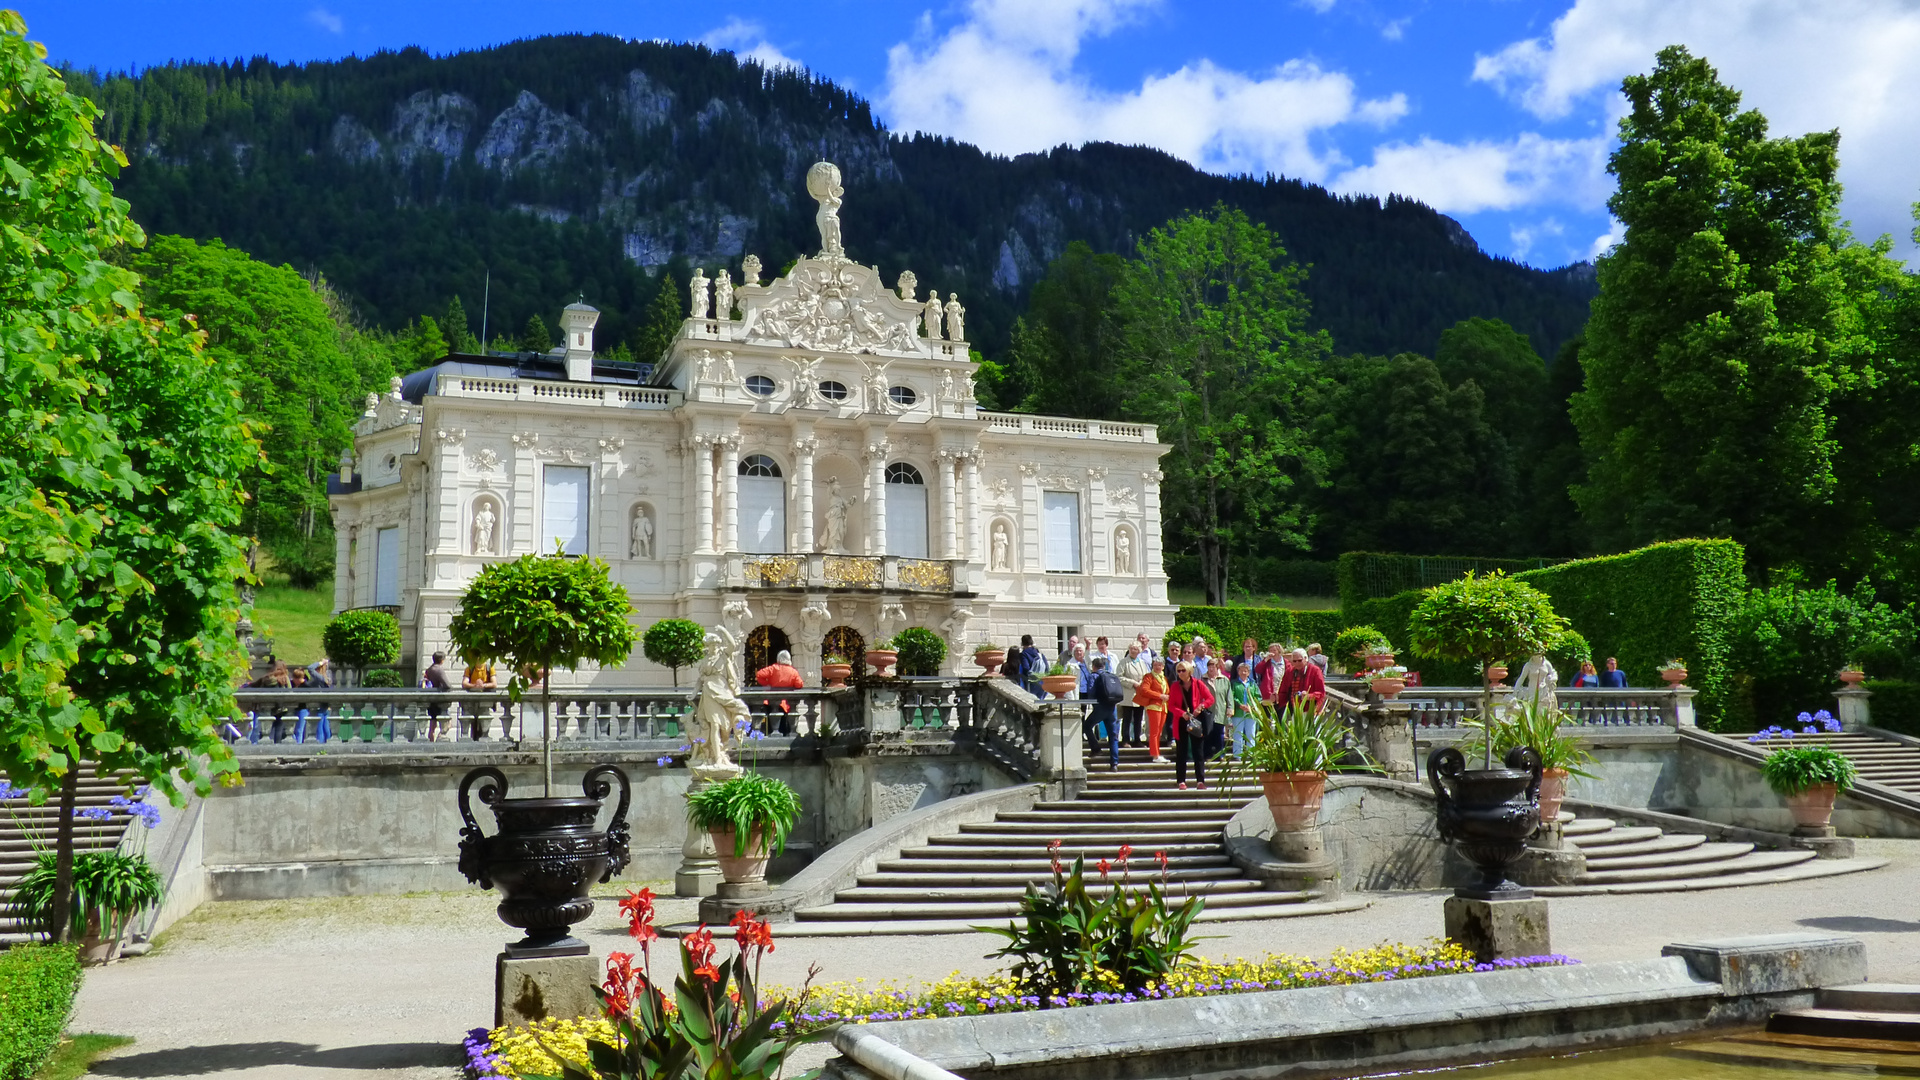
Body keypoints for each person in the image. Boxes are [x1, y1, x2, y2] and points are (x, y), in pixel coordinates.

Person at [1166, 661, 1216, 789]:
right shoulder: (1175, 686)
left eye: (1183, 670)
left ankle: (1200, 780)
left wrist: (1201, 706)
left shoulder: (1198, 684)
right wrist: (1182, 713)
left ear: (1189, 671)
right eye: (1178, 671)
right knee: (1181, 752)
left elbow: (1210, 699)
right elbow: (1171, 705)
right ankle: (1181, 781)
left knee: (1198, 751)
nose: (1180, 673)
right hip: (1181, 720)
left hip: (1196, 720)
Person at [1087, 656, 1125, 771]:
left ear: (1093, 666)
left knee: (1086, 726)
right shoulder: (1110, 675)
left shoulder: (1094, 676)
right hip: (1112, 707)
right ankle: (1114, 763)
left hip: (1100, 707)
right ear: (1104, 666)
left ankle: (1095, 748)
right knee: (1113, 736)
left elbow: (1091, 691)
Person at [755, 649, 806, 735]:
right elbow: (799, 684)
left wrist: (767, 685)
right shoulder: (793, 671)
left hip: (771, 701)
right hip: (786, 703)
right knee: (785, 725)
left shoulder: (774, 668)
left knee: (771, 724)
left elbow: (759, 674)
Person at [1137, 657, 1171, 763]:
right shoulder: (1149, 677)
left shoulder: (1164, 678)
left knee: (1159, 732)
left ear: (1163, 666)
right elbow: (1144, 690)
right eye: (1155, 665)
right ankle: (1155, 755)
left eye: (1159, 665)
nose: (1157, 667)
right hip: (1153, 706)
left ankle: (1157, 753)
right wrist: (1160, 696)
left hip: (1163, 707)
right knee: (1154, 732)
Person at [1116, 643, 1150, 747]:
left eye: (1135, 649)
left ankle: (1137, 739)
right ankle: (1125, 740)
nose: (1133, 651)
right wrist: (1132, 683)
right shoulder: (1124, 662)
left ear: (1139, 651)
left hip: (1139, 695)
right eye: (1131, 648)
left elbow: (1146, 676)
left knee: (1138, 719)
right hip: (1128, 695)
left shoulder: (1142, 663)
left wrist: (1142, 683)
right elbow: (1119, 677)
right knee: (1127, 718)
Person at [299, 658, 333, 745]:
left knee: (319, 728)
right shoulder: (327, 678)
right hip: (326, 705)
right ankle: (329, 743)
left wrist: (321, 662)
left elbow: (310, 668)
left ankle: (320, 744)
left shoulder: (319, 678)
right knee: (326, 727)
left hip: (319, 704)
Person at [1230, 660, 1258, 758]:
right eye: (1241, 671)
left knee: (1251, 734)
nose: (1243, 673)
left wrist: (1252, 706)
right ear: (1238, 672)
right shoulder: (1234, 683)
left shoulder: (1253, 683)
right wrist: (1239, 704)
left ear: (1248, 672)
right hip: (1238, 712)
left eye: (1245, 671)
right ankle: (1238, 755)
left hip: (1251, 712)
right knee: (1238, 734)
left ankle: (1251, 754)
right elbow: (1231, 696)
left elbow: (1258, 696)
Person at [423, 651, 452, 741]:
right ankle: (440, 737)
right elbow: (447, 685)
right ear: (442, 660)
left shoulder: (429, 670)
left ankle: (431, 743)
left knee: (432, 725)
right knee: (448, 723)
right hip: (439, 700)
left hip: (431, 700)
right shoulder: (439, 670)